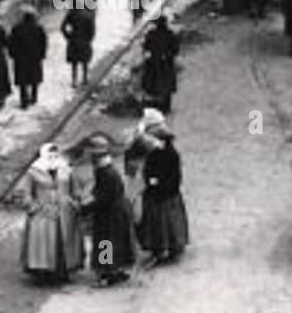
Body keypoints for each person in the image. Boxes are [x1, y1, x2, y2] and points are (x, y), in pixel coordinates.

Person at [21, 143, 82, 283]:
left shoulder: (66, 168)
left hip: (65, 212)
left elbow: (75, 188)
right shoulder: (34, 171)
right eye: (50, 155)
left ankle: (62, 273)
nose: (53, 158)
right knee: (44, 244)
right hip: (43, 213)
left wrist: (75, 203)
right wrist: (34, 208)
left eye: (56, 155)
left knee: (64, 242)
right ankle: (43, 275)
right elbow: (27, 194)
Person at [84, 136, 135, 287]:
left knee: (105, 242)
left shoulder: (104, 173)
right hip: (118, 212)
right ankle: (116, 269)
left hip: (109, 215)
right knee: (117, 242)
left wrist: (85, 208)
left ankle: (106, 274)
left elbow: (102, 199)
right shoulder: (108, 170)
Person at [138, 123, 189, 264]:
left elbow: (174, 178)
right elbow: (147, 171)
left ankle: (173, 248)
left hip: (166, 195)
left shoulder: (172, 155)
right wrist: (151, 181)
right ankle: (157, 249)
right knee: (156, 224)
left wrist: (159, 183)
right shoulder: (153, 154)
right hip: (155, 194)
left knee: (169, 224)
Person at [7, 5, 47, 109]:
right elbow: (43, 43)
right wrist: (42, 54)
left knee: (22, 79)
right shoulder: (38, 28)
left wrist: (13, 54)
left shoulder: (16, 29)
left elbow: (11, 43)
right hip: (35, 57)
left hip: (21, 58)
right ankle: (34, 97)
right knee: (34, 77)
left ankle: (24, 99)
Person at [141, 14, 180, 113]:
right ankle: (165, 106)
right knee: (165, 86)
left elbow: (145, 47)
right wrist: (167, 55)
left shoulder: (151, 34)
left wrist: (148, 56)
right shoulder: (170, 34)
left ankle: (157, 105)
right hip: (165, 64)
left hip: (154, 63)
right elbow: (175, 49)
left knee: (154, 85)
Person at [61, 1, 96, 87]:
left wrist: (68, 36)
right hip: (85, 41)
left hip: (74, 40)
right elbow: (92, 29)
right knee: (85, 61)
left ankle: (74, 80)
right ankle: (84, 79)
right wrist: (89, 38)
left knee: (74, 62)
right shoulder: (88, 15)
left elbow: (62, 27)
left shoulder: (71, 15)